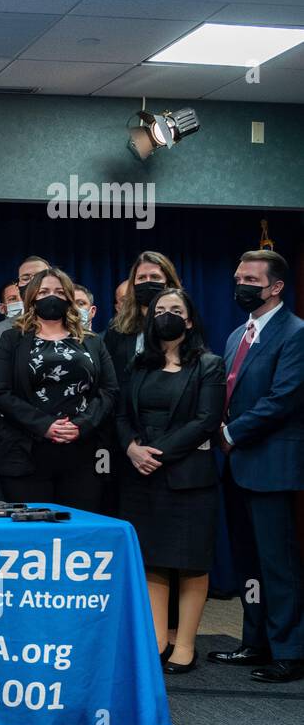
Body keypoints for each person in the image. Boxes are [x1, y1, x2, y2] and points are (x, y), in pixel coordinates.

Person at [116, 288, 225, 674]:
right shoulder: (137, 365)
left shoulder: (209, 365)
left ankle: (186, 645)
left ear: (190, 319)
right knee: (153, 560)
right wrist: (131, 448)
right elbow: (121, 415)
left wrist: (155, 453)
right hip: (141, 475)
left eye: (175, 310)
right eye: (161, 309)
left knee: (191, 562)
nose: (167, 315)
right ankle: (159, 640)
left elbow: (205, 420)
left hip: (187, 477)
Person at [210, 250, 304, 683]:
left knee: (277, 564)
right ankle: (254, 641)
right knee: (249, 562)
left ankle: (290, 651)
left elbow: (282, 399)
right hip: (236, 468)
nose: (241, 285)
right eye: (238, 277)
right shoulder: (235, 336)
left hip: (271, 467)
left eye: (250, 278)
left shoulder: (296, 333)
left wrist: (230, 435)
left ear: (275, 286)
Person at [0, 267, 118, 512]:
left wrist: (82, 424)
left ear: (68, 297)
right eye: (44, 291)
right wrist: (44, 426)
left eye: (59, 291)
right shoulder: (12, 339)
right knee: (32, 535)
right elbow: (0, 391)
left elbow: (109, 390)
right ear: (32, 297)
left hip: (82, 453)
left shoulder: (91, 340)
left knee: (79, 532)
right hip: (26, 453)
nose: (52, 297)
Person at [104, 251, 183, 390]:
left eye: (154, 277)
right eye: (141, 278)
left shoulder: (181, 322)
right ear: (133, 284)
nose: (148, 281)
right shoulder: (117, 326)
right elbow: (107, 377)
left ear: (168, 283)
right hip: (126, 407)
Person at [0, 256, 50, 354]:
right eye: (26, 278)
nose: (33, 283)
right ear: (18, 287)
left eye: (40, 276)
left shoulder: (72, 323)